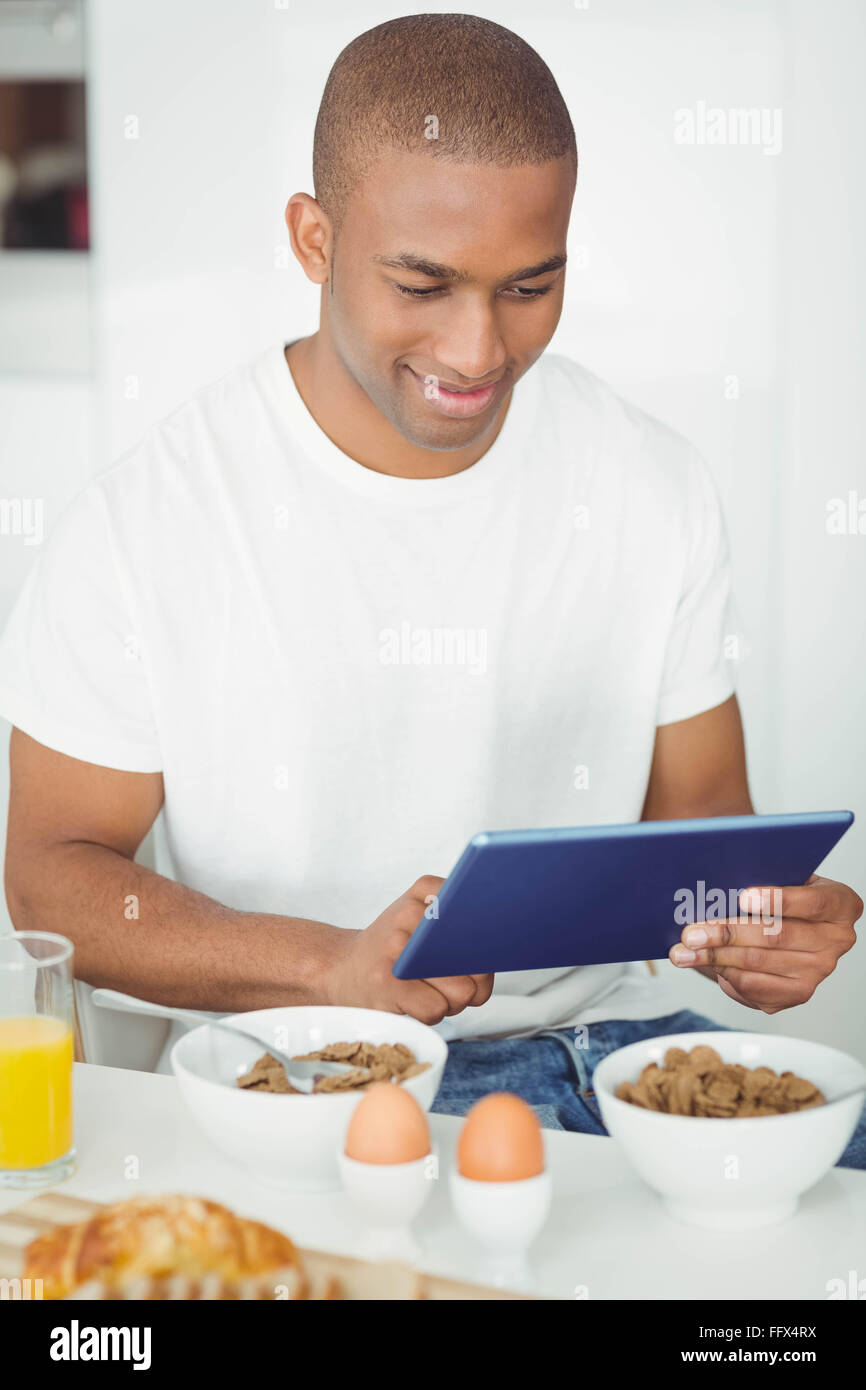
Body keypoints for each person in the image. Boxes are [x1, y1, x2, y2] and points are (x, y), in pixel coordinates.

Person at [1, 14, 862, 1160]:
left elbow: (698, 824)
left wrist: (749, 927)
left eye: (528, 285)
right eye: (421, 283)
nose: (476, 352)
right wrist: (327, 963)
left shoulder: (648, 480)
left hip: (606, 1056)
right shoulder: (148, 515)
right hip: (297, 1075)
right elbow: (50, 881)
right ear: (313, 239)